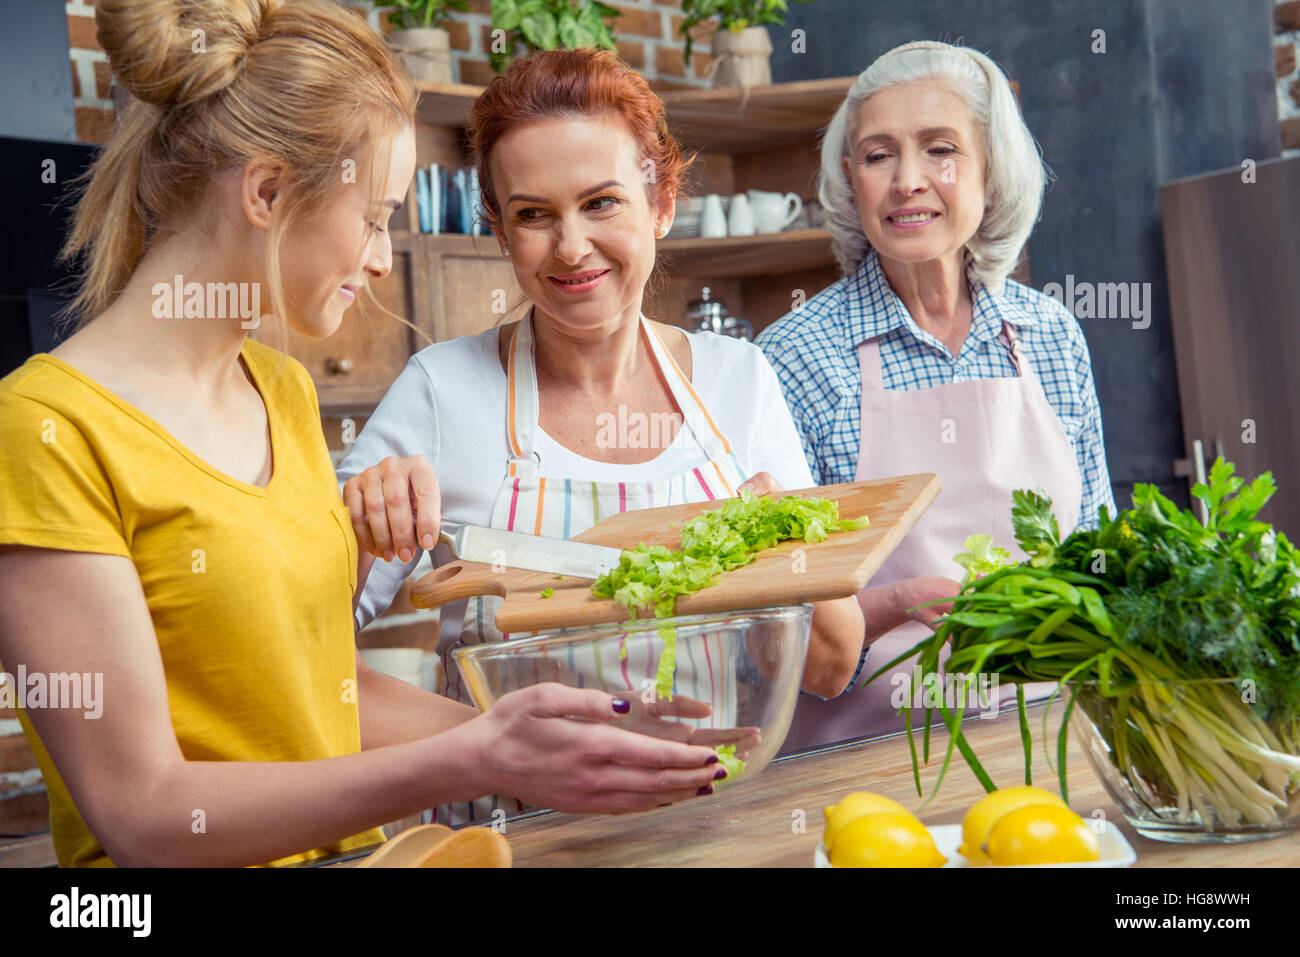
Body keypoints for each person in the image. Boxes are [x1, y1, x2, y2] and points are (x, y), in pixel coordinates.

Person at [0, 0, 725, 868]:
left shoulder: (280, 390)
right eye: (376, 215)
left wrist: (560, 743)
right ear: (266, 192)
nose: (382, 258)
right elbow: (145, 813)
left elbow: (323, 692)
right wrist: (470, 756)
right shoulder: (46, 428)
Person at [339, 49, 946, 826]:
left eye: (601, 203)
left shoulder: (739, 380)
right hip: (516, 840)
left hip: (713, 824)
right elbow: (302, 654)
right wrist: (360, 529)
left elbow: (829, 665)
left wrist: (781, 550)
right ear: (497, 230)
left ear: (661, 201)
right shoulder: (440, 391)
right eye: (533, 215)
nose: (570, 247)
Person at [756, 41, 1117, 750]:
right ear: (850, 180)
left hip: (1055, 738)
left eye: (940, 149)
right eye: (878, 154)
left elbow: (1096, 554)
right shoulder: (793, 357)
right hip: (865, 750)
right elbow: (779, 626)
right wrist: (891, 608)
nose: (907, 180)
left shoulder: (1050, 334)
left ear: (991, 175)